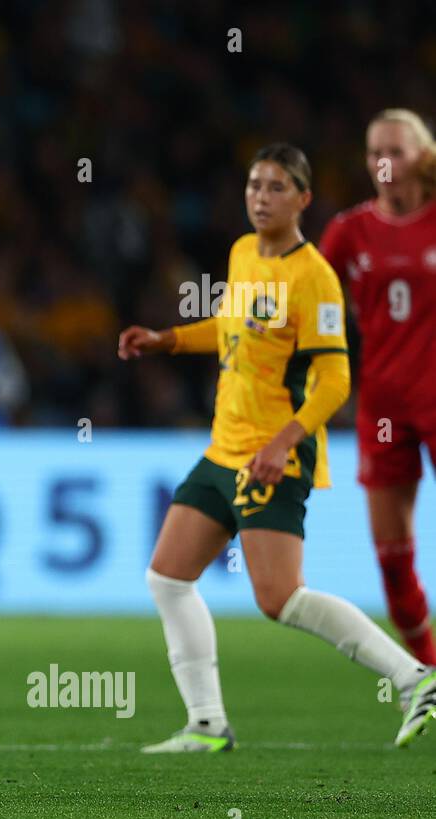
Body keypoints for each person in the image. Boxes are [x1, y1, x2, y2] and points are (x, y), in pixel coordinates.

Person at [118, 144, 436, 753]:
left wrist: (284, 441)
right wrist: (168, 339)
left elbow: (337, 379)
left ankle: (414, 677)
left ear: (303, 199)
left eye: (276, 188)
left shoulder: (313, 276)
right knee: (167, 577)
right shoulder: (242, 253)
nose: (260, 198)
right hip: (222, 450)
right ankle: (206, 723)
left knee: (279, 597)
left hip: (274, 455)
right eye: (254, 186)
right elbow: (232, 326)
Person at [320, 109, 436, 666]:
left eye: (396, 150)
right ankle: (429, 675)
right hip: (382, 403)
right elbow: (310, 306)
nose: (384, 163)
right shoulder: (348, 232)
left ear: (423, 156)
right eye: (374, 153)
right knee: (391, 557)